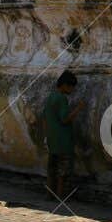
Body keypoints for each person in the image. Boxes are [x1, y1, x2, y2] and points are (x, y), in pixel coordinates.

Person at [42, 70, 81, 200]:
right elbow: (65, 119)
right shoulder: (62, 98)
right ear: (64, 85)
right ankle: (60, 197)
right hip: (63, 140)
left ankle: (49, 195)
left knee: (52, 170)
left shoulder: (50, 97)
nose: (72, 90)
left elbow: (45, 118)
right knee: (62, 172)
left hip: (52, 139)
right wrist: (78, 109)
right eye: (71, 87)